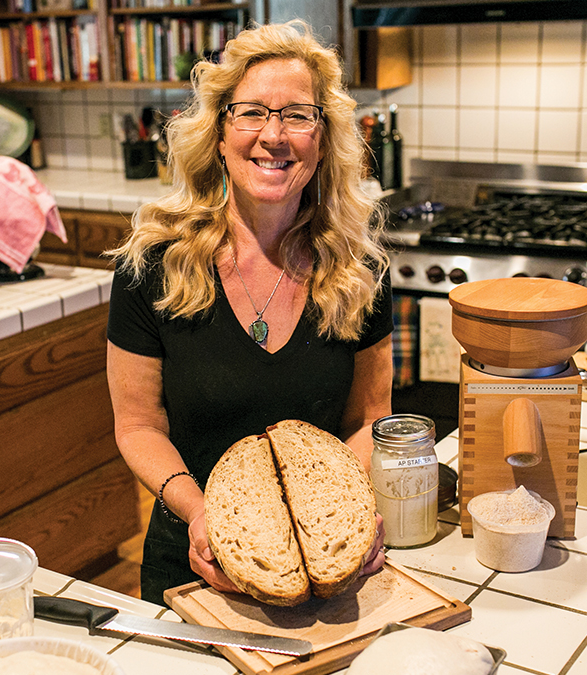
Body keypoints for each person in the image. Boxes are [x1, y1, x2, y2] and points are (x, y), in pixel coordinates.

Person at [106, 20, 393, 605]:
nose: (274, 135)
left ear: (324, 137)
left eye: (298, 115)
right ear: (218, 133)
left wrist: (351, 513)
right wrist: (199, 512)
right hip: (190, 564)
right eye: (252, 112)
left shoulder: (357, 273)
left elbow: (368, 421)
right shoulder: (153, 266)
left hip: (328, 575)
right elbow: (138, 427)